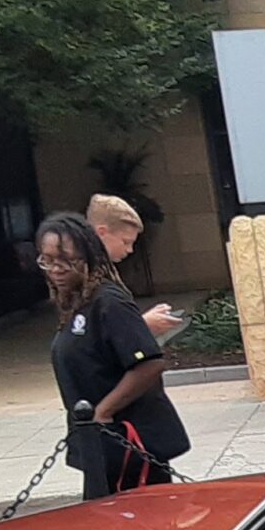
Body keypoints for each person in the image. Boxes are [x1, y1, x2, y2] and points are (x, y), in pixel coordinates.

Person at [35, 212, 189, 499]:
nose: (56, 269)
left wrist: (103, 412)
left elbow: (149, 363)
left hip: (127, 442)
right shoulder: (76, 303)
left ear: (88, 256)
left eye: (66, 260)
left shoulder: (109, 301)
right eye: (48, 260)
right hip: (99, 445)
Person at [85, 194, 183, 340]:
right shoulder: (82, 275)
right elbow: (92, 336)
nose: (130, 249)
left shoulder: (99, 270)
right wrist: (143, 325)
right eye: (125, 242)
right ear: (102, 232)